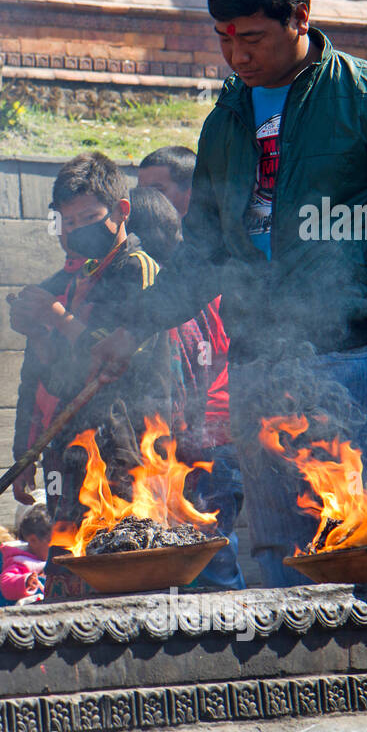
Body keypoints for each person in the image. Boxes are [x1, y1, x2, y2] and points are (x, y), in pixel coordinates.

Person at [89, 0, 367, 587]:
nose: (237, 55)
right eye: (224, 39)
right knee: (279, 552)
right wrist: (133, 327)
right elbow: (203, 252)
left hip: (356, 358)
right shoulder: (225, 123)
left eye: (253, 37)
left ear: (301, 18)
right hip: (256, 362)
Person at [8, 152, 174, 532]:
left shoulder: (139, 269)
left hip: (129, 448)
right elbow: (47, 378)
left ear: (121, 211)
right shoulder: (66, 283)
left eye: (89, 220)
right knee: (67, 562)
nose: (77, 230)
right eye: (69, 222)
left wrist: (57, 317)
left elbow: (121, 356)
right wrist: (24, 454)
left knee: (124, 557)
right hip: (68, 450)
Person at [127, 188, 244, 590]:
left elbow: (181, 386)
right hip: (217, 444)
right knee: (214, 557)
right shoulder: (203, 291)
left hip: (196, 451)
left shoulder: (170, 304)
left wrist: (166, 451)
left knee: (208, 567)